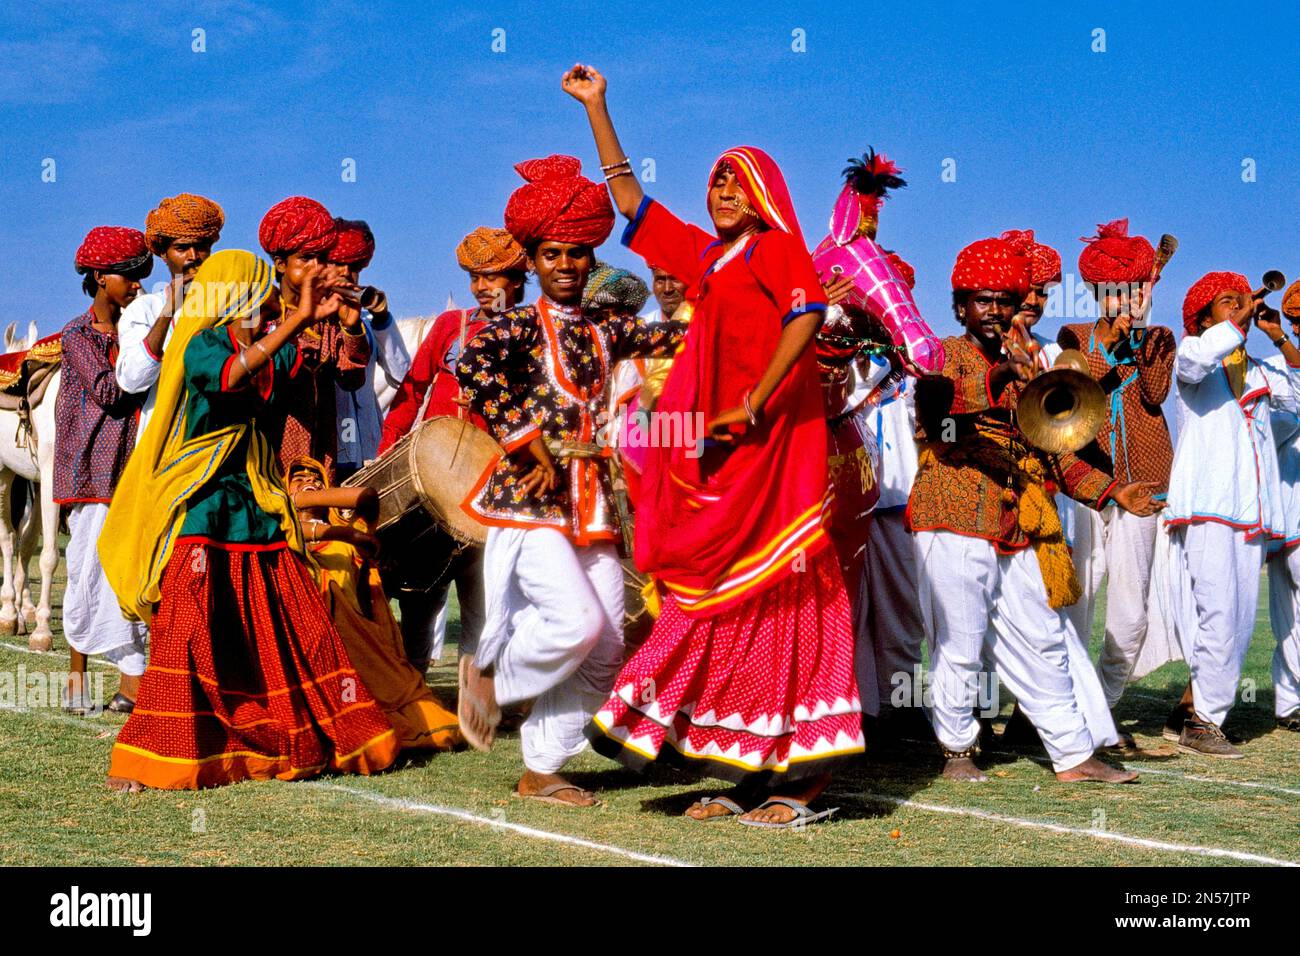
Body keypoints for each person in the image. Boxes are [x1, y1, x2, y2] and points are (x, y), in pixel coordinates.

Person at [564, 64, 864, 828]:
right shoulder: (706, 256)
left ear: (760, 195)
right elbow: (631, 202)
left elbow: (807, 313)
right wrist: (599, 108)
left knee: (783, 586)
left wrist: (757, 397)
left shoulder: (776, 248)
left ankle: (802, 782)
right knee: (716, 595)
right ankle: (738, 765)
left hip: (775, 448)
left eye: (735, 185)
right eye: (715, 184)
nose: (721, 195)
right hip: (717, 450)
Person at [100, 250, 399, 791]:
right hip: (204, 501)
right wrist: (296, 319)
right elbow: (233, 375)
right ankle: (156, 750)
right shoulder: (201, 346)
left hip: (257, 498)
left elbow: (288, 373)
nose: (267, 299)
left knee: (294, 621)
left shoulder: (275, 347)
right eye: (260, 291)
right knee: (187, 624)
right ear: (235, 298)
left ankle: (310, 732)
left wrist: (314, 318)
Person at [453, 150, 684, 807]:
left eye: (576, 254)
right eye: (551, 254)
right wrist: (523, 441)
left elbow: (675, 338)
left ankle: (542, 766)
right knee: (576, 625)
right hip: (530, 499)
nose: (564, 266)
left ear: (592, 259)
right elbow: (471, 366)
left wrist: (757, 310)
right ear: (532, 259)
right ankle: (490, 687)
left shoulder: (610, 327)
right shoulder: (519, 325)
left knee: (609, 646)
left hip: (594, 500)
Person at [909, 236, 1161, 784]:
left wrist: (1113, 492)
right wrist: (1000, 380)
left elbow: (1051, 451)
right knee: (960, 638)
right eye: (982, 300)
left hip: (1015, 518)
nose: (995, 310)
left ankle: (1072, 754)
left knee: (1045, 634)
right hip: (952, 513)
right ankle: (956, 750)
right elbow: (935, 420)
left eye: (1004, 299)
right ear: (960, 307)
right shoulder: (940, 351)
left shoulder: (1030, 361)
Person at [378, 226, 529, 670]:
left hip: (494, 485)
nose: (482, 287)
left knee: (485, 605)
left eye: (493, 277)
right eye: (474, 277)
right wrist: (389, 460)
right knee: (420, 597)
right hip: (432, 482)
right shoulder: (450, 326)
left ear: (518, 278)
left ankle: (476, 706)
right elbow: (410, 392)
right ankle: (416, 696)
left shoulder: (534, 333)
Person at [1163, 271, 1300, 757]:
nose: (1241, 306)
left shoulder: (1260, 372)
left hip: (1250, 515)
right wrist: (1237, 322)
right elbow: (1199, 358)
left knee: (1232, 620)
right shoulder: (1192, 355)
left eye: (1242, 300)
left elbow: (1299, 394)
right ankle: (1203, 722)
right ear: (1202, 317)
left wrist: (1278, 337)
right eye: (1228, 301)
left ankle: (1187, 710)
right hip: (1210, 508)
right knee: (1223, 616)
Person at [1058, 219, 1176, 717]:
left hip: (1144, 488)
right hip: (1086, 487)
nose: (1124, 301)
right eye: (1113, 293)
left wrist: (1137, 343)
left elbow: (1154, 394)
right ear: (1095, 294)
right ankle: (1064, 707)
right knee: (1076, 604)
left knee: (1131, 615)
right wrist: (1107, 348)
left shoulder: (1160, 339)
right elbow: (1071, 402)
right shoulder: (1073, 337)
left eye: (1132, 291)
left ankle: (1101, 710)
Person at [284, 456, 460, 750]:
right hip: (299, 643)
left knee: (424, 724)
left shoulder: (345, 531)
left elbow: (365, 496)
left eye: (316, 479)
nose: (309, 483)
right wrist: (343, 532)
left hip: (349, 643)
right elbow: (291, 527)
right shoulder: (275, 529)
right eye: (298, 479)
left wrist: (341, 527)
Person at [57, 226, 153, 715]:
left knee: (126, 577)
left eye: (143, 276)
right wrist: (154, 347)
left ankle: (130, 686)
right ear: (99, 278)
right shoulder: (78, 335)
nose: (138, 285)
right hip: (90, 473)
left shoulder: (135, 330)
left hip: (133, 472)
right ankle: (76, 681)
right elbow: (112, 392)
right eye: (129, 276)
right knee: (85, 574)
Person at [258, 196, 371, 474]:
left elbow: (352, 380)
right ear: (281, 264)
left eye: (321, 259)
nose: (315, 267)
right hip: (268, 452)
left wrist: (352, 326)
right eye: (306, 258)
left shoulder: (329, 317)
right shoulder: (260, 312)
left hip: (320, 455)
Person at [115, 193, 223, 439]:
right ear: (164, 254)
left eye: (202, 246)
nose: (194, 256)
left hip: (221, 438)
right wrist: (167, 313)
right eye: (182, 248)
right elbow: (132, 380)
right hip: (164, 441)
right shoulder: (146, 309)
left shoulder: (230, 307)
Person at [327, 218, 411, 481]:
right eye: (338, 264)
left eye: (353, 267)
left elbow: (402, 376)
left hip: (367, 450)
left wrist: (382, 318)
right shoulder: (306, 326)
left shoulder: (366, 326)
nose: (346, 274)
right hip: (328, 455)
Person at [1267, 283, 1300, 732]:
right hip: (1289, 505)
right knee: (1287, 610)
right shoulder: (1273, 369)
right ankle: (1289, 702)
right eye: (1294, 321)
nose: (1295, 328)